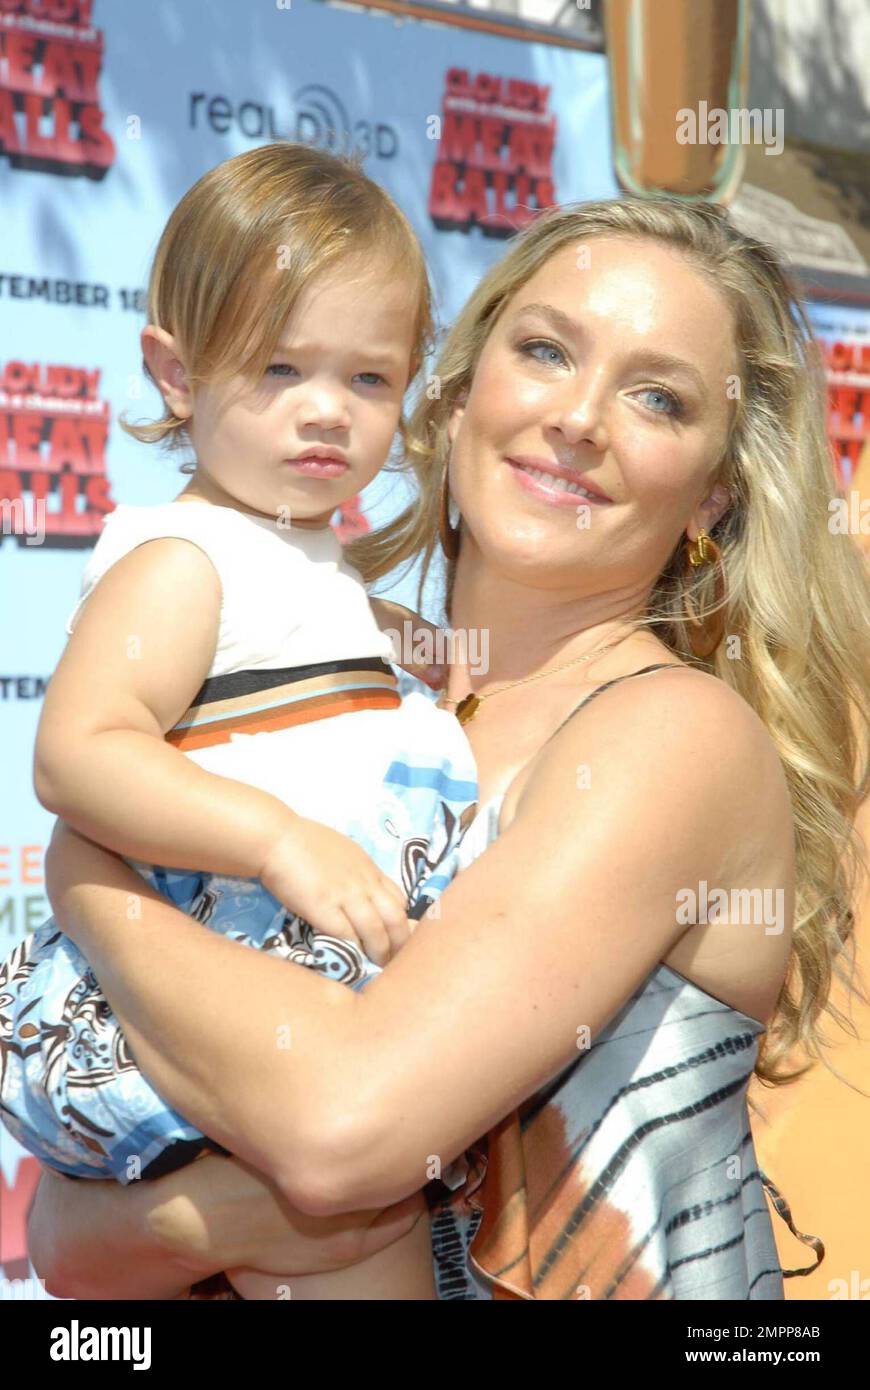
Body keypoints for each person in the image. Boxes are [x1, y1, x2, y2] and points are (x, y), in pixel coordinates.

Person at [25, 196, 869, 1301]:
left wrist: (85, 876)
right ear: (456, 391)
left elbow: (341, 1133)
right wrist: (211, 1215)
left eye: (656, 396)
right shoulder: (342, 679)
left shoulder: (671, 736)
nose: (580, 418)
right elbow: (64, 1231)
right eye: (546, 350)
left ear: (713, 489)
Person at [0, 141, 480, 1300]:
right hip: (222, 1007)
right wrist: (278, 839)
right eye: (279, 368)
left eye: (369, 380)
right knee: (361, 1245)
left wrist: (423, 660)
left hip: (302, 1026)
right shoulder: (181, 561)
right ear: (174, 372)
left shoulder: (300, 567)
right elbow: (77, 751)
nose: (328, 412)